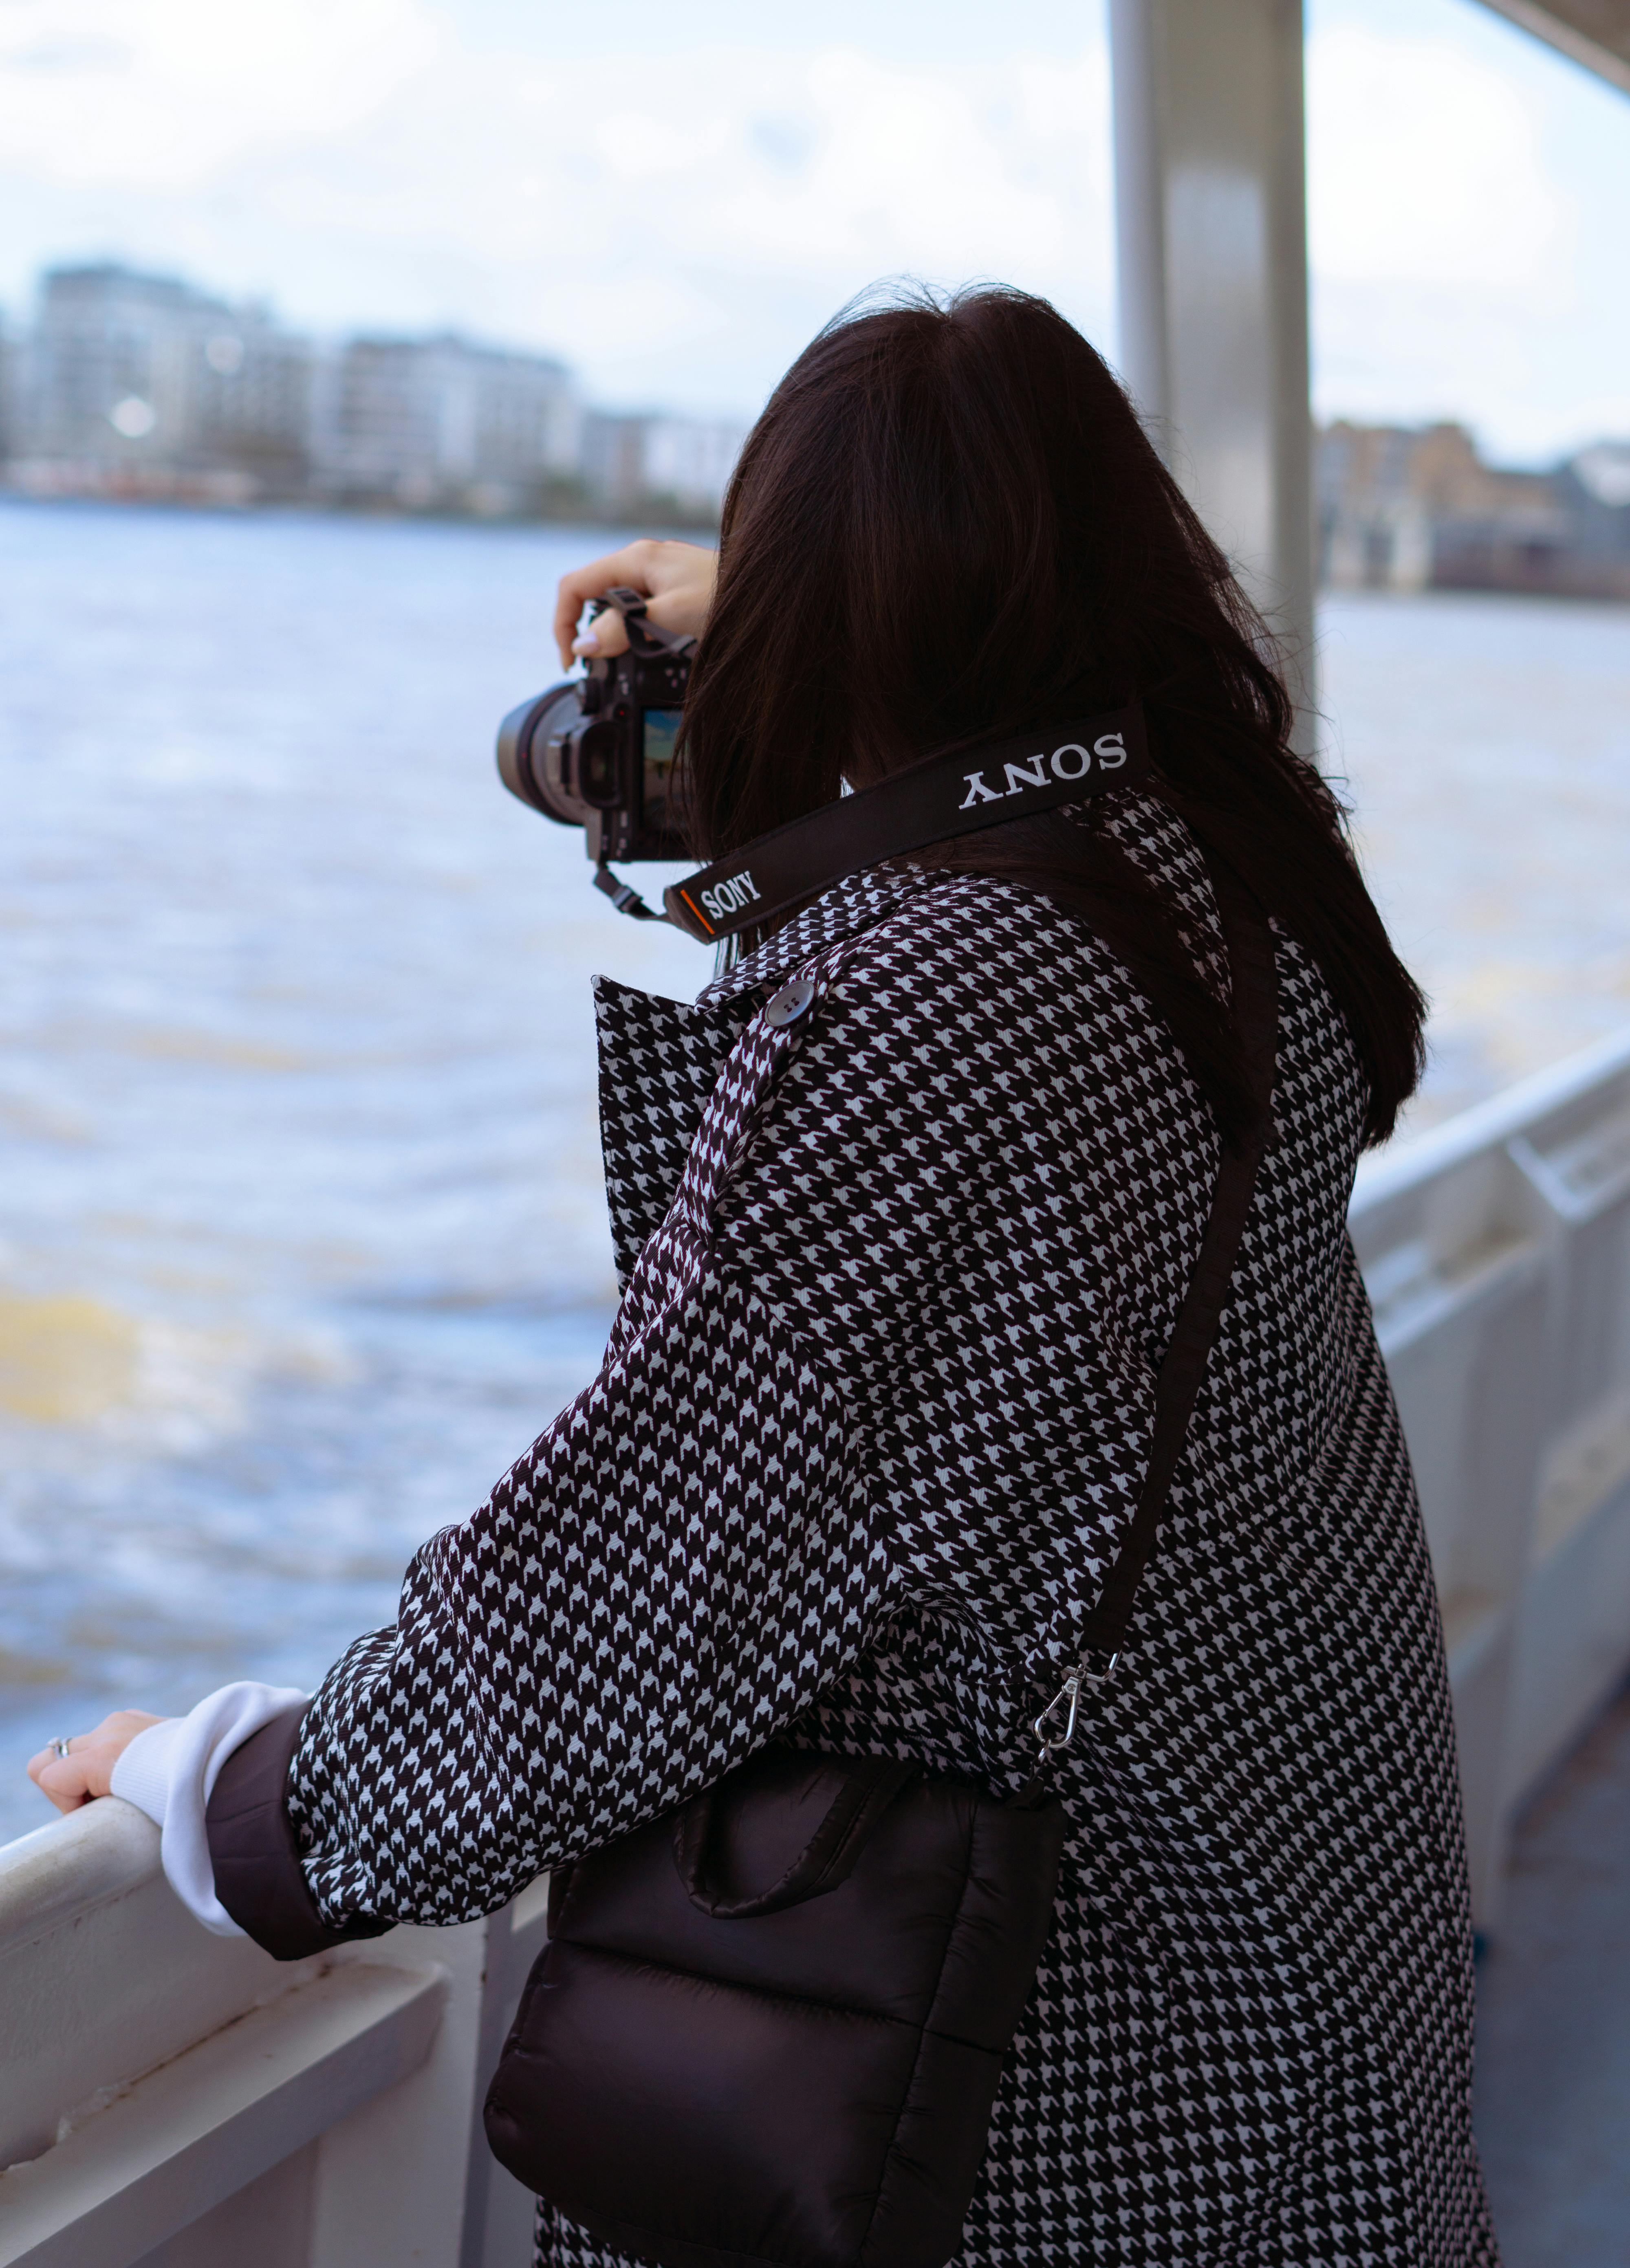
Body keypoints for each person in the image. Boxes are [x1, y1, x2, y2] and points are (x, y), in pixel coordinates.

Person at [30, 287, 1499, 2267]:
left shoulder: (934, 995)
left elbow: (658, 1552)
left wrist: (236, 1797)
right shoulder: (1215, 860)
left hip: (1077, 2045)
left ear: (846, 618)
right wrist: (827, 613)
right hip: (1297, 1898)